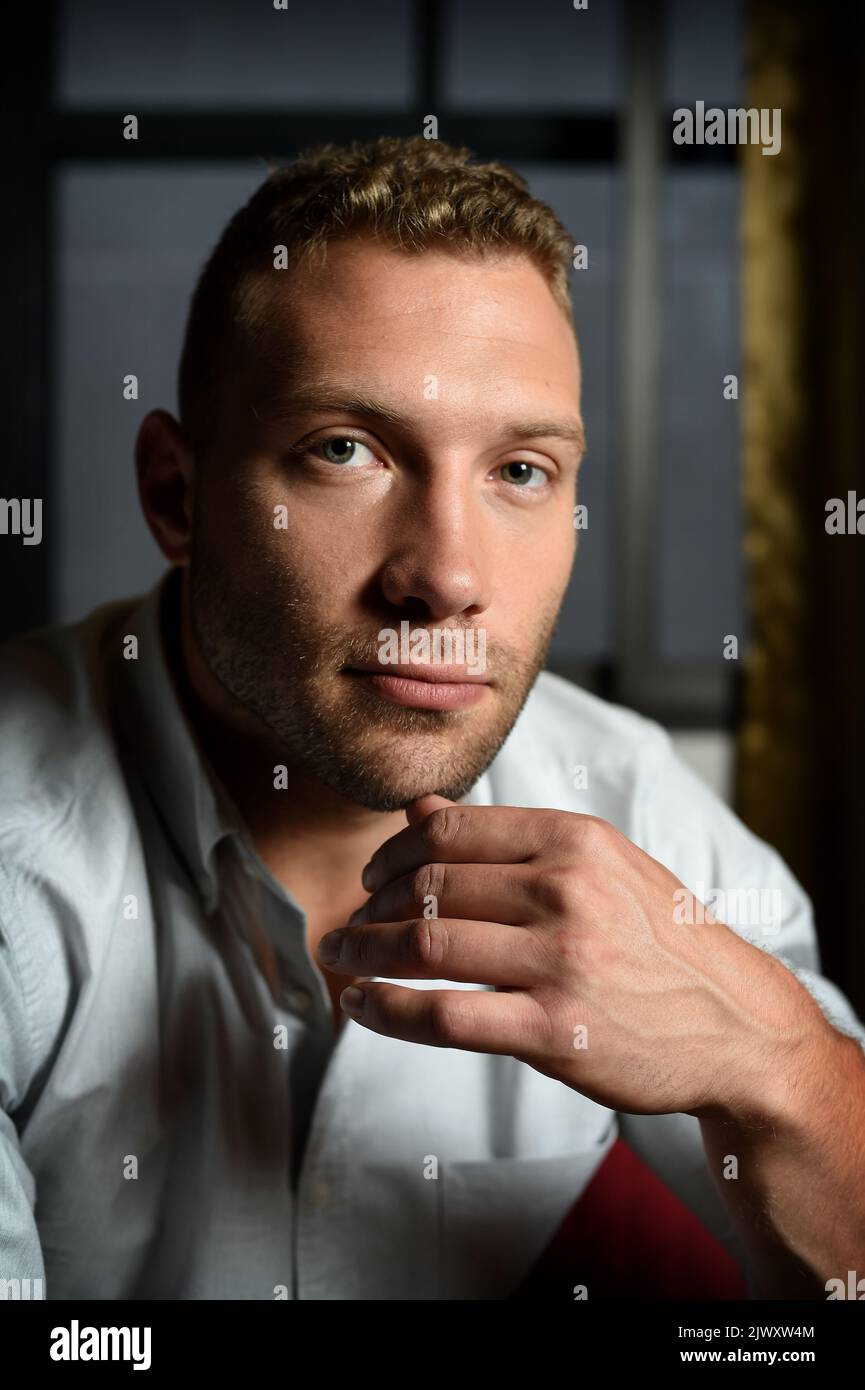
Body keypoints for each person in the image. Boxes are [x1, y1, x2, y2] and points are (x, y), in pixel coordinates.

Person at [2, 136, 864, 1302]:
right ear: (176, 494)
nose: (448, 576)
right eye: (344, 450)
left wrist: (784, 1070)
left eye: (519, 470)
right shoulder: (23, 855)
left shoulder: (635, 807)